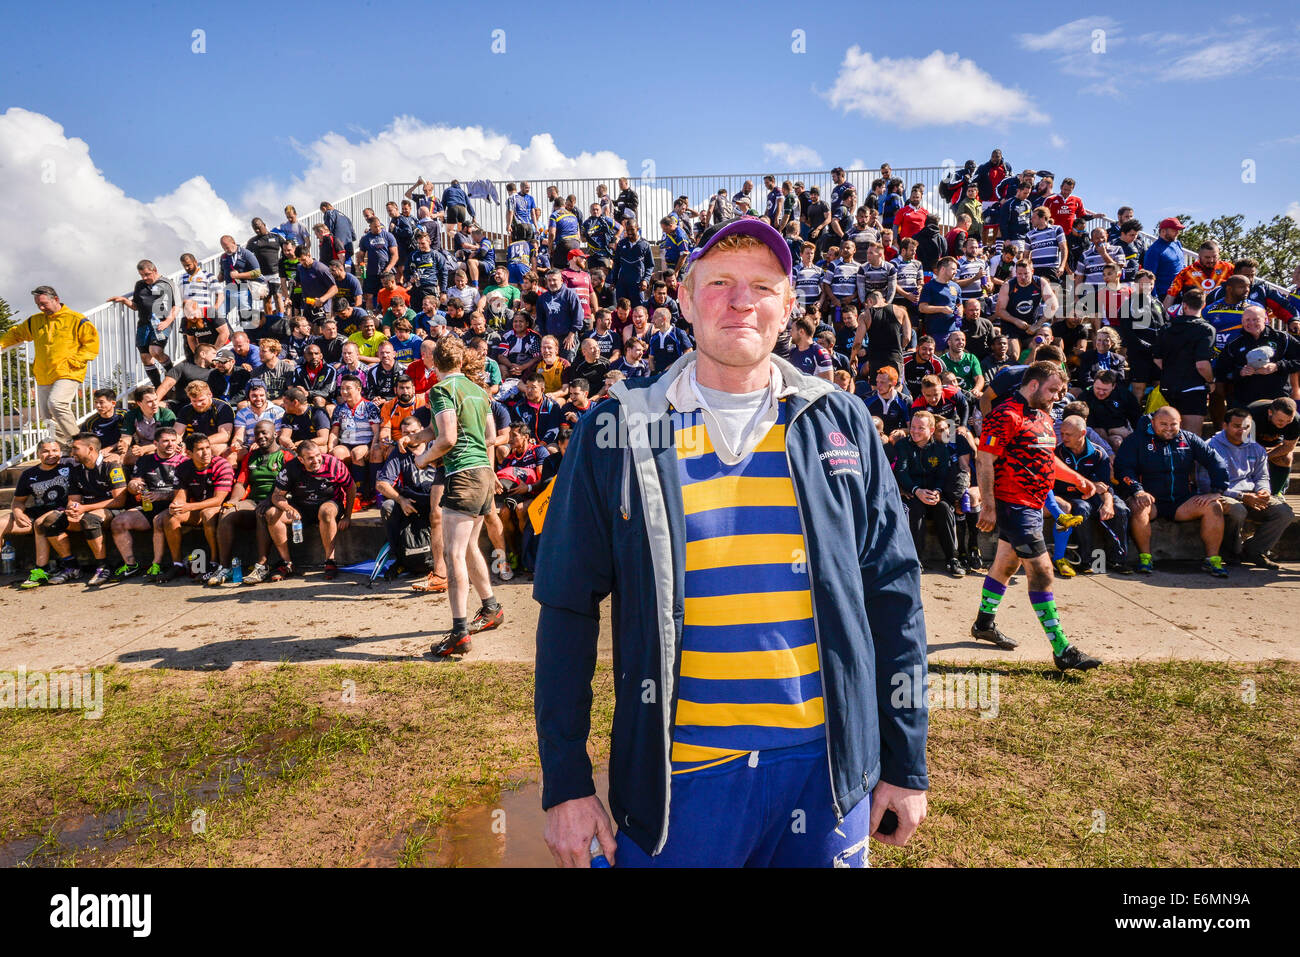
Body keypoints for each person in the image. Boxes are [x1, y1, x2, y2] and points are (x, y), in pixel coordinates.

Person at [534, 216, 928, 868]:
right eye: (718, 282)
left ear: (789, 306)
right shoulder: (619, 429)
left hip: (824, 771)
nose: (741, 300)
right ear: (685, 299)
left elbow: (893, 593)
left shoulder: (841, 420)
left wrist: (906, 759)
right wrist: (567, 782)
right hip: (681, 779)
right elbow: (568, 606)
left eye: (762, 285)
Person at [970, 361, 1102, 670]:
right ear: (1033, 385)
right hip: (1014, 505)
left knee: (1006, 563)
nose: (1058, 397)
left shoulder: (1042, 417)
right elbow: (984, 458)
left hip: (1031, 504)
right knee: (1042, 572)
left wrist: (1077, 479)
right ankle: (1062, 649)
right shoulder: (1005, 415)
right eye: (1053, 390)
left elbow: (1047, 458)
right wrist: (988, 504)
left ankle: (983, 624)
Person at [410, 337, 502, 655]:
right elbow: (488, 437)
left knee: (453, 555)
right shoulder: (479, 391)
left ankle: (460, 631)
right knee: (469, 548)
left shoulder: (440, 390)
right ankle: (491, 608)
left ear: (434, 364)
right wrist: (422, 435)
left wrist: (423, 458)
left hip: (461, 474)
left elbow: (448, 437)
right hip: (482, 474)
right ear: (461, 363)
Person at [1114, 406, 1232, 576]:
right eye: (1163, 424)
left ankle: (1212, 560)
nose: (1169, 428)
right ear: (1153, 422)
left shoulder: (1189, 439)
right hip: (1150, 499)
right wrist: (1137, 490)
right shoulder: (1136, 440)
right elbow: (1123, 469)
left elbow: (1216, 462)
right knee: (1139, 507)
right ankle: (1145, 558)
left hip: (1182, 501)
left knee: (1213, 506)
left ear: (1180, 423)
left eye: (1173, 424)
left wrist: (1217, 490)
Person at [2, 286, 100, 450]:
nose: (41, 307)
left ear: (55, 299)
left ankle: (80, 442)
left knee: (57, 403)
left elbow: (91, 345)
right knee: (47, 416)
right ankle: (66, 451)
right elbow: (16, 333)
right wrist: (2, 344)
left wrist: (75, 360)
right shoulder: (35, 321)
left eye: (44, 303)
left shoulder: (76, 319)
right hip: (43, 374)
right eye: (38, 304)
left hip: (68, 372)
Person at [1204, 409, 1294, 570]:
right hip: (1221, 494)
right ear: (1225, 425)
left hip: (1250, 494)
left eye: (1246, 427)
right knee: (1237, 510)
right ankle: (1230, 553)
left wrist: (1263, 490)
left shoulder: (1256, 448)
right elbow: (1207, 483)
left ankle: (1255, 551)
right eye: (1236, 426)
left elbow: (1262, 477)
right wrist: (1241, 496)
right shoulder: (1210, 447)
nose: (1242, 431)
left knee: (1284, 513)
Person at [262, 439, 356, 582]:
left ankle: (330, 561)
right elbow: (276, 496)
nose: (316, 460)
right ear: (300, 459)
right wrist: (288, 508)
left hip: (329, 504)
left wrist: (347, 516)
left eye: (318, 455)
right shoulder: (291, 468)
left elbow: (351, 487)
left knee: (325, 511)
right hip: (301, 507)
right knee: (271, 514)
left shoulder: (334, 464)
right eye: (310, 458)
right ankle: (287, 563)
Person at [109, 426, 188, 580]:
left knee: (158, 520)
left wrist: (162, 496)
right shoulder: (146, 460)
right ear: (155, 443)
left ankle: (156, 565)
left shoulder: (184, 461)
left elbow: (187, 491)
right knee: (118, 522)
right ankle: (131, 565)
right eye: (165, 441)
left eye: (173, 441)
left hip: (174, 506)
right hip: (149, 504)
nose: (170, 444)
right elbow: (135, 483)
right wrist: (134, 486)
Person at [1055, 415, 1130, 576]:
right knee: (1082, 508)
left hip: (1096, 494)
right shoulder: (1058, 452)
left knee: (1120, 508)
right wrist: (1085, 485)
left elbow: (1105, 487)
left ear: (1082, 433)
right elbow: (1058, 486)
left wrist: (1108, 504)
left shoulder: (1098, 453)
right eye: (1062, 433)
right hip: (1071, 495)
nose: (1063, 438)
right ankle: (1085, 561)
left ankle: (1117, 559)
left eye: (1069, 434)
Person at [894, 410, 965, 576]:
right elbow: (901, 471)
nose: (915, 431)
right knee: (915, 510)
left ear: (931, 430)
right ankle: (916, 559)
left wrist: (938, 491)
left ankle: (952, 559)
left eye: (921, 428)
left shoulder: (940, 448)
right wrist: (916, 490)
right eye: (913, 426)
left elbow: (943, 474)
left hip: (934, 494)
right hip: (913, 493)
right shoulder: (902, 445)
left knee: (945, 509)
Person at [7, 440, 74, 590]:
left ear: (60, 452)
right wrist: (17, 512)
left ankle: (41, 570)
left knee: (40, 523)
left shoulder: (69, 464)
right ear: (38, 453)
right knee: (1, 524)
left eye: (55, 450)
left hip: (63, 509)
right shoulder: (28, 474)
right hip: (39, 509)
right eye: (45, 451)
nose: (51, 454)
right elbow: (18, 501)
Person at [1154, 288, 1216, 437]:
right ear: (1203, 305)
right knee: (1192, 436)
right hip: (1192, 388)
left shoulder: (1166, 328)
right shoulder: (1206, 329)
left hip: (1168, 386)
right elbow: (1202, 364)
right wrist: (1211, 380)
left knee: (1168, 434)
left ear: (1184, 305)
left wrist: (1172, 370)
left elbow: (1157, 359)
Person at [107, 262, 174, 387]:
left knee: (155, 350)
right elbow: (136, 306)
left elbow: (175, 306)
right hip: (144, 324)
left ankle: (174, 377)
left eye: (147, 274)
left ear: (155, 270)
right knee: (145, 357)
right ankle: (158, 388)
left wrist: (168, 321)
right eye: (142, 275)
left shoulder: (166, 283)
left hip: (161, 322)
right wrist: (124, 300)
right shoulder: (140, 285)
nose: (144, 278)